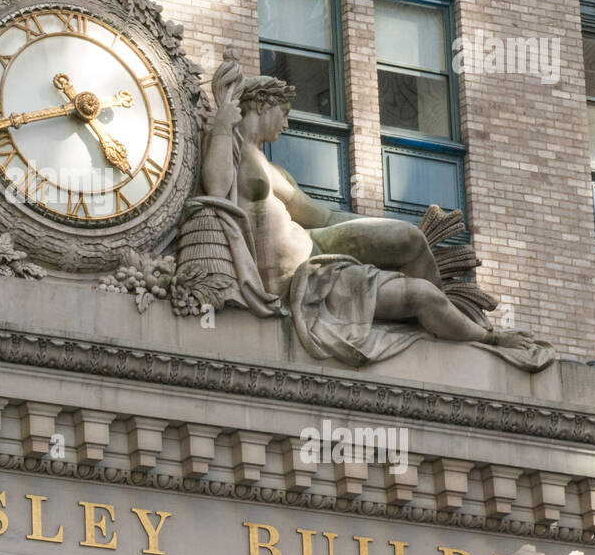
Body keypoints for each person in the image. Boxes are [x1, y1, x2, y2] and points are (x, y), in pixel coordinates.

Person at [197, 57, 548, 368]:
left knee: (409, 237)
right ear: (263, 104)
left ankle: (448, 315)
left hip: (317, 250)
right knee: (420, 290)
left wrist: (378, 230)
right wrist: (225, 123)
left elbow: (320, 217)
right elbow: (215, 188)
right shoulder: (231, 144)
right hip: (307, 279)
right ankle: (482, 336)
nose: (286, 124)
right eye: (284, 113)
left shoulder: (275, 170)